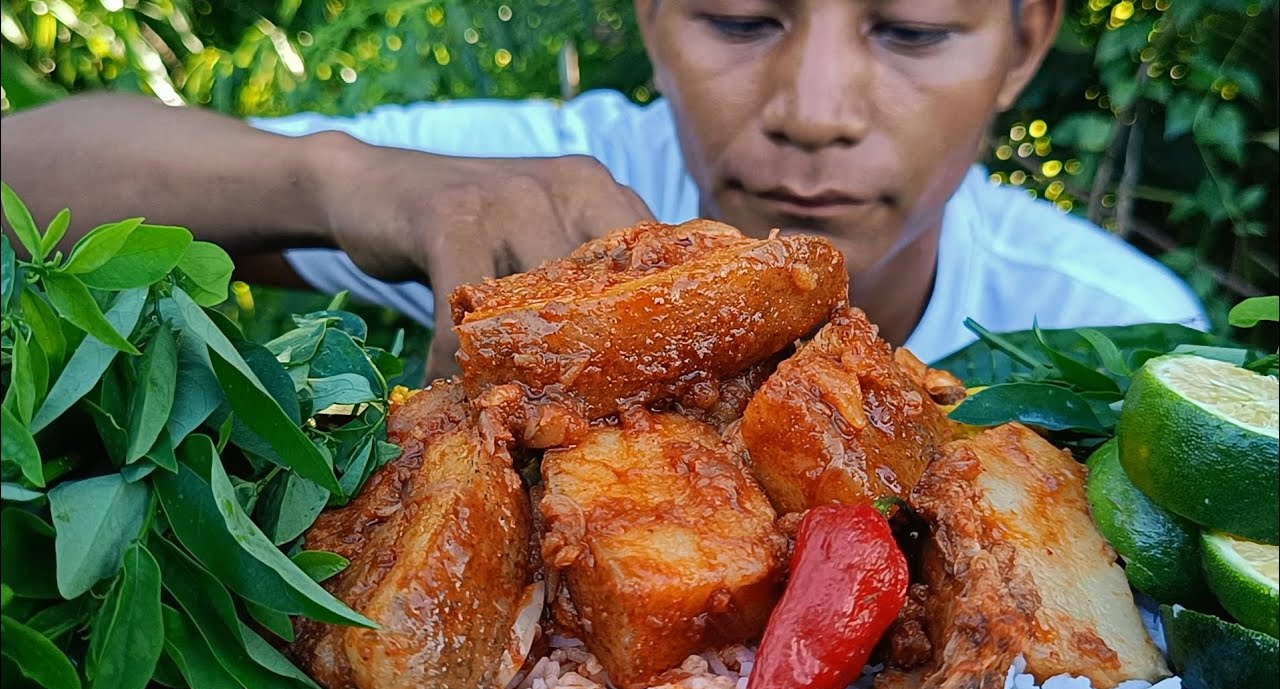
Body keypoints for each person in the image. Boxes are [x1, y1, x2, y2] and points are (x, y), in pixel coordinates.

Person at [0, 0, 1206, 380]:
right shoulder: (534, 165)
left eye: (911, 29)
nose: (814, 106)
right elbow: (26, 172)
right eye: (737, 19)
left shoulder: (1117, 337)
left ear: (1025, 41)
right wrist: (340, 179)